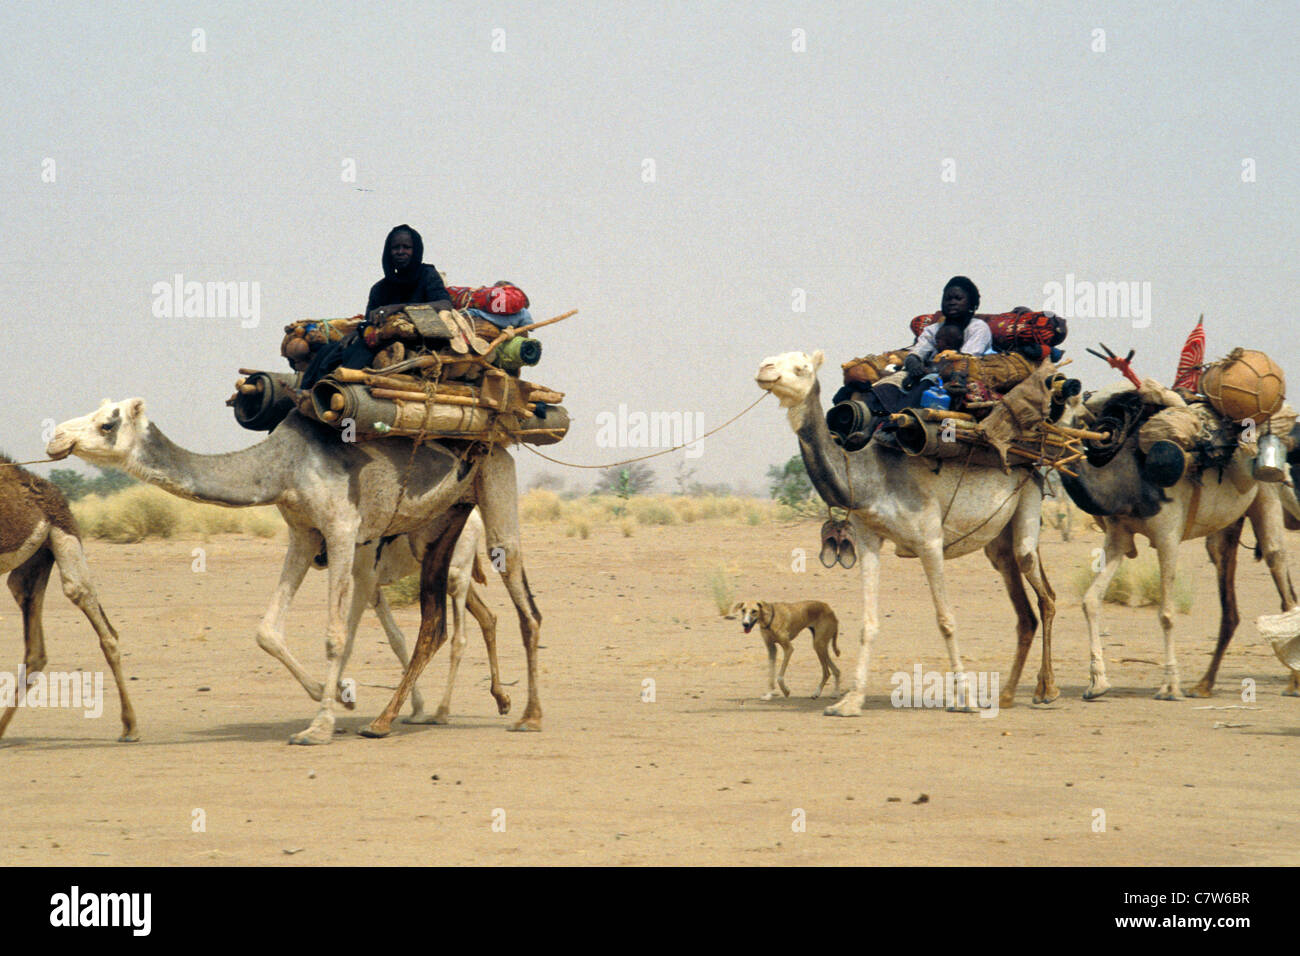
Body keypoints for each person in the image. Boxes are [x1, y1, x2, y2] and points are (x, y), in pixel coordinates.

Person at [365, 224, 452, 316]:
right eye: (395, 247)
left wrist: (400, 308)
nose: (400, 252)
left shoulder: (427, 276)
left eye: (406, 247)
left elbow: (445, 305)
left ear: (416, 251)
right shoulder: (379, 289)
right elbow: (367, 321)